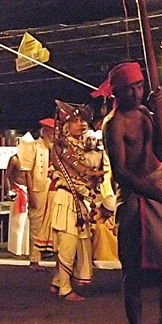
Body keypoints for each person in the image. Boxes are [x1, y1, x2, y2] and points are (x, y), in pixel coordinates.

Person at [102, 61, 162, 324]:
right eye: (129, 89)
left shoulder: (147, 113)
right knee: (133, 275)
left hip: (159, 188)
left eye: (139, 86)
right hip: (136, 197)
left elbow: (160, 150)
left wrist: (159, 115)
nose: (136, 93)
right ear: (117, 92)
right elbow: (122, 173)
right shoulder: (114, 125)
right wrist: (160, 196)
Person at [36, 101, 103, 301]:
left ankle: (57, 282)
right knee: (68, 244)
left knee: (77, 241)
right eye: (76, 121)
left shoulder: (82, 146)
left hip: (77, 199)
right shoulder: (61, 146)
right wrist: (91, 173)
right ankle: (65, 289)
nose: (82, 124)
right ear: (66, 126)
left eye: (84, 121)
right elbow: (78, 168)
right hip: (67, 198)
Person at [18, 118, 55, 270]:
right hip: (38, 189)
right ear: (44, 132)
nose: (53, 135)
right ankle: (34, 259)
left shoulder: (57, 148)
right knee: (36, 223)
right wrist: (31, 193)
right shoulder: (32, 147)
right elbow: (27, 173)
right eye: (50, 132)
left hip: (54, 189)